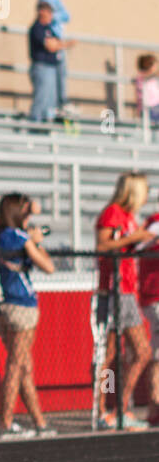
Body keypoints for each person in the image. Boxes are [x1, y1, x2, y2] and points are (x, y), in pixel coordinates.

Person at [0, 194, 56, 437]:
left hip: (3, 307)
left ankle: (39, 422)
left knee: (24, 366)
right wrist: (34, 242)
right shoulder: (16, 237)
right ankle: (5, 423)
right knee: (16, 366)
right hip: (22, 307)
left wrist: (33, 238)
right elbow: (48, 266)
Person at [93, 172, 153, 431]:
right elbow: (102, 246)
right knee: (118, 353)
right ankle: (106, 409)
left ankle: (118, 409)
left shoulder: (128, 217)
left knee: (126, 353)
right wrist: (134, 239)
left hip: (128, 288)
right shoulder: (113, 213)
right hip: (115, 289)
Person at [28, 0, 71, 123]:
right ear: (41, 12)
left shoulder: (49, 29)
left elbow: (56, 42)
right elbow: (51, 46)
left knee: (51, 100)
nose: (50, 16)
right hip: (42, 67)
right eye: (48, 12)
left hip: (51, 67)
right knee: (42, 97)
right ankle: (35, 123)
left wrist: (59, 44)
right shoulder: (37, 28)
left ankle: (47, 123)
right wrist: (66, 44)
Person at [136, 203, 159, 426]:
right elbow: (141, 246)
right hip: (153, 296)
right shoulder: (154, 222)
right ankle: (115, 407)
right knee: (143, 355)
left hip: (142, 296)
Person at [41, 0, 71, 113]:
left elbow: (67, 16)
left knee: (61, 72)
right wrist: (58, 16)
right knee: (53, 75)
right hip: (52, 37)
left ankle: (61, 101)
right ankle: (56, 104)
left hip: (58, 37)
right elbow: (57, 16)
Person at [134, 53, 159, 129]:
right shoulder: (143, 78)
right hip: (151, 107)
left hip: (151, 107)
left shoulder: (150, 77)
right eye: (155, 65)